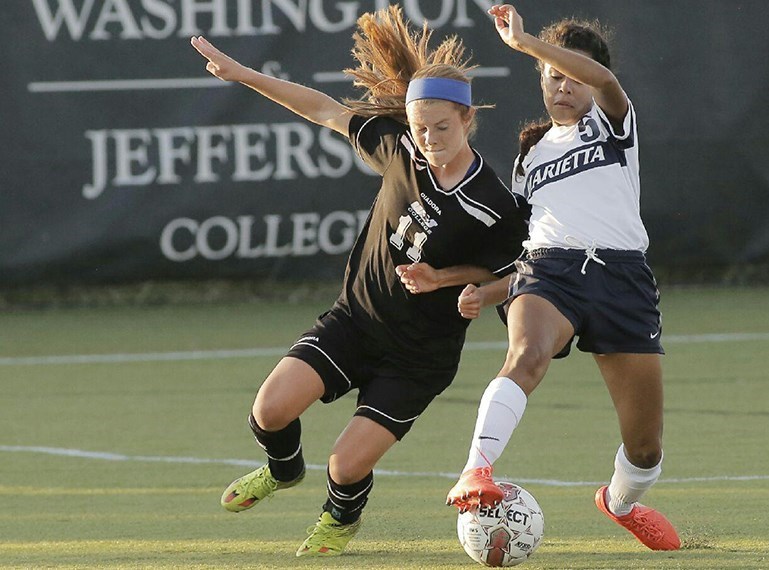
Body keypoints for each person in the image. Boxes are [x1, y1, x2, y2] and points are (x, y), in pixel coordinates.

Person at [190, 5, 529, 557]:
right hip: (356, 321)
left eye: (442, 127)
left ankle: (341, 517)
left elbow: (505, 272)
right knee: (269, 410)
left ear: (468, 120)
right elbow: (323, 109)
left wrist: (448, 280)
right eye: (420, 127)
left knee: (345, 465)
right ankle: (282, 470)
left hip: (418, 356)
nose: (429, 138)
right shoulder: (400, 151)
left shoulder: (493, 203)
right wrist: (243, 75)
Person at [440, 3, 682, 552]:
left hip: (623, 278)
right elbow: (522, 250)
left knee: (645, 449)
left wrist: (526, 43)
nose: (564, 86)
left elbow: (606, 79)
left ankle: (619, 503)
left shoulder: (613, 122)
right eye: (554, 77)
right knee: (526, 356)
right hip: (551, 270)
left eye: (574, 75)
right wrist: (485, 288)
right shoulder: (529, 155)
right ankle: (477, 469)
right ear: (541, 82)